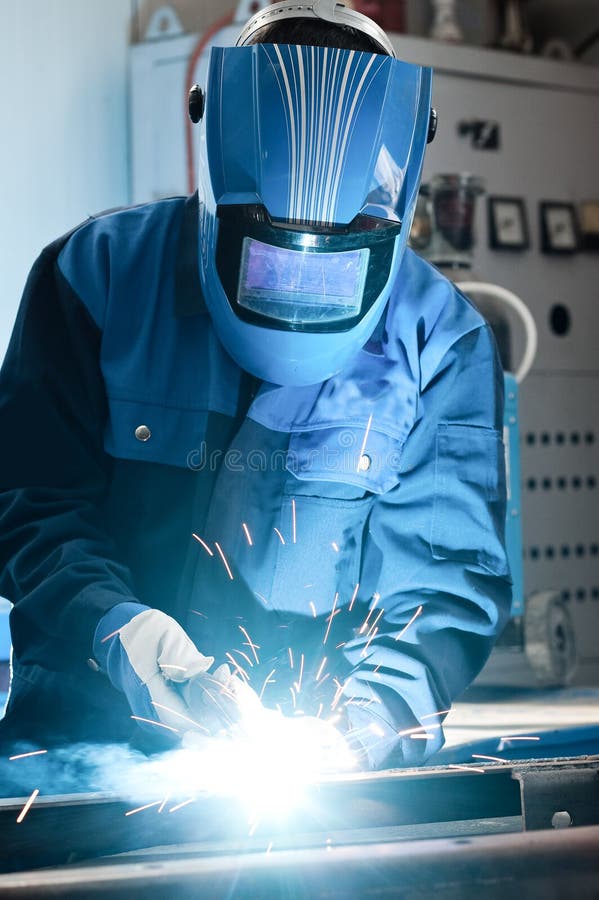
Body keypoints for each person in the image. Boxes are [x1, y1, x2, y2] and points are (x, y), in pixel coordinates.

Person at [0, 0, 511, 771]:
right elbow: (28, 498)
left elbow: (442, 588)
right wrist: (114, 626)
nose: (297, 289)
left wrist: (365, 727)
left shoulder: (439, 339)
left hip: (316, 782)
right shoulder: (96, 275)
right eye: (270, 255)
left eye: (334, 261)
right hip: (78, 750)